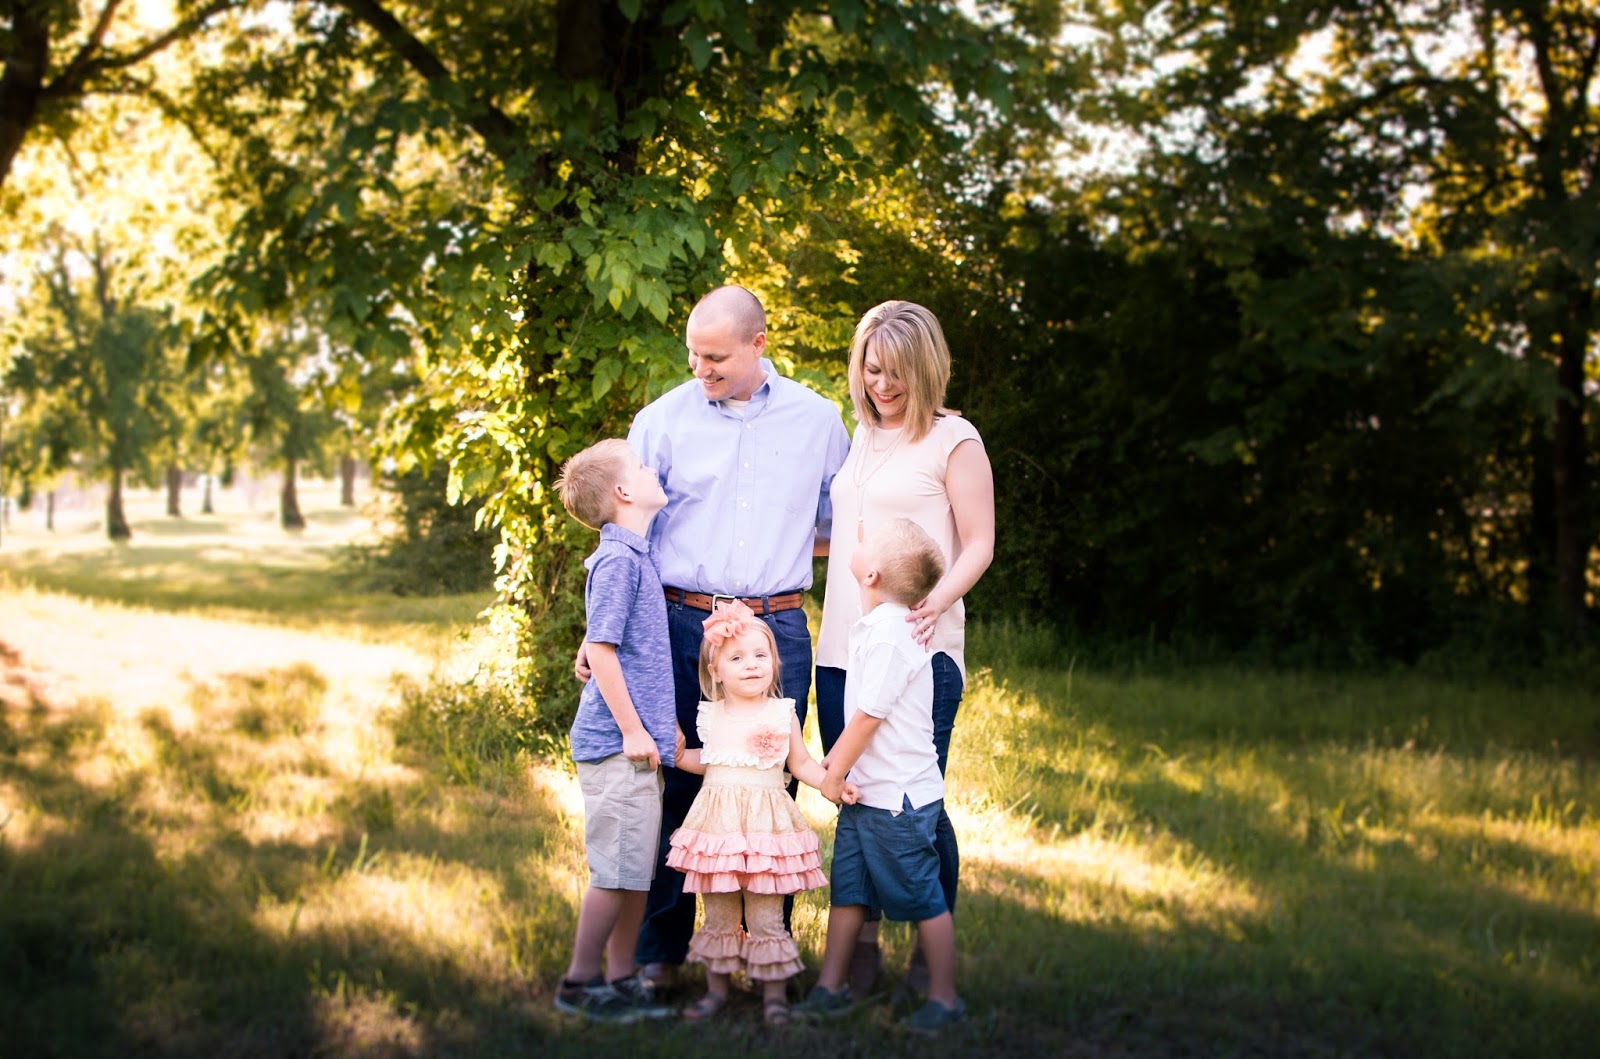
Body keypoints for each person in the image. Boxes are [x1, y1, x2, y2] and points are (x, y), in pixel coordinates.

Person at [578, 285, 851, 990]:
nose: (701, 369)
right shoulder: (661, 420)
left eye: (717, 358)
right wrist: (598, 628)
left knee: (770, 780)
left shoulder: (818, 420)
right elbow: (624, 531)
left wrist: (772, 565)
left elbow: (838, 524)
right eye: (694, 355)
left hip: (776, 625)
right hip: (677, 621)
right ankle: (659, 957)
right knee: (673, 779)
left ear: (759, 344)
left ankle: (766, 957)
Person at [814, 299, 995, 997]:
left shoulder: (954, 438)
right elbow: (844, 534)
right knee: (856, 797)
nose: (882, 384)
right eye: (871, 368)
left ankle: (930, 948)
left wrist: (934, 603)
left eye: (896, 372)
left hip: (919, 650)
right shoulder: (861, 436)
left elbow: (978, 542)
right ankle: (859, 952)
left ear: (926, 369)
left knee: (916, 802)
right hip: (842, 648)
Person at [797, 518, 965, 1034]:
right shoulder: (875, 626)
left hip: (898, 800)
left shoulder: (892, 635)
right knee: (850, 891)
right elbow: (864, 717)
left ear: (869, 574)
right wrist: (838, 770)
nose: (858, 538)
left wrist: (831, 775)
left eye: (866, 542)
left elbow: (868, 717)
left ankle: (944, 997)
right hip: (868, 793)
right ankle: (831, 987)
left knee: (922, 898)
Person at [667, 601, 857, 1025]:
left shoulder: (781, 711)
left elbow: (800, 763)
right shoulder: (710, 714)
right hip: (718, 830)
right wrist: (678, 757)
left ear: (775, 661)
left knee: (766, 916)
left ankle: (773, 997)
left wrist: (829, 782)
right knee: (718, 915)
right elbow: (710, 761)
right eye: (736, 658)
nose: (751, 665)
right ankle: (717, 992)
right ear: (715, 671)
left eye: (760, 655)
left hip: (767, 831)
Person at [550, 438, 680, 1023]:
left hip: (640, 746)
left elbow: (630, 649)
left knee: (636, 872)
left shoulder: (637, 555)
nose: (653, 469)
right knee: (614, 874)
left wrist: (661, 728)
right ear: (625, 491)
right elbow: (601, 651)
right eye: (643, 466)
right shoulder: (619, 561)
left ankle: (622, 978)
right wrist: (633, 731)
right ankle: (579, 982)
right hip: (615, 746)